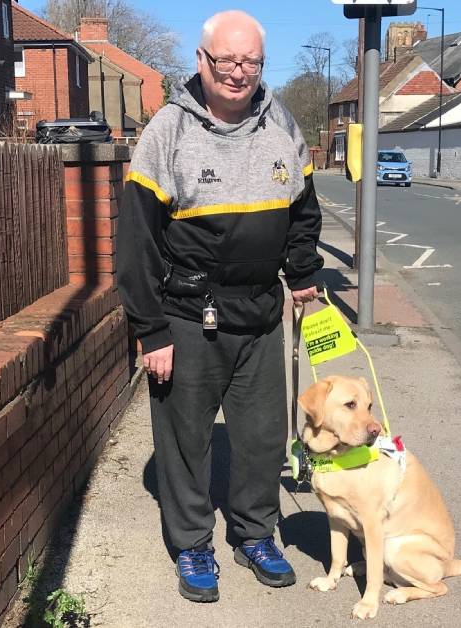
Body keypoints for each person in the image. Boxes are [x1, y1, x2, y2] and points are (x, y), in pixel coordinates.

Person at [114, 10, 323, 603]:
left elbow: (303, 208)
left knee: (261, 437)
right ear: (202, 61)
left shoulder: (281, 122)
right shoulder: (168, 132)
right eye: (226, 59)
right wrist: (151, 331)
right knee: (185, 439)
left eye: (250, 61)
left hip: (260, 313)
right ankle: (192, 543)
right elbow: (137, 241)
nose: (238, 71)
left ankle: (256, 534)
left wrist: (302, 271)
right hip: (188, 316)